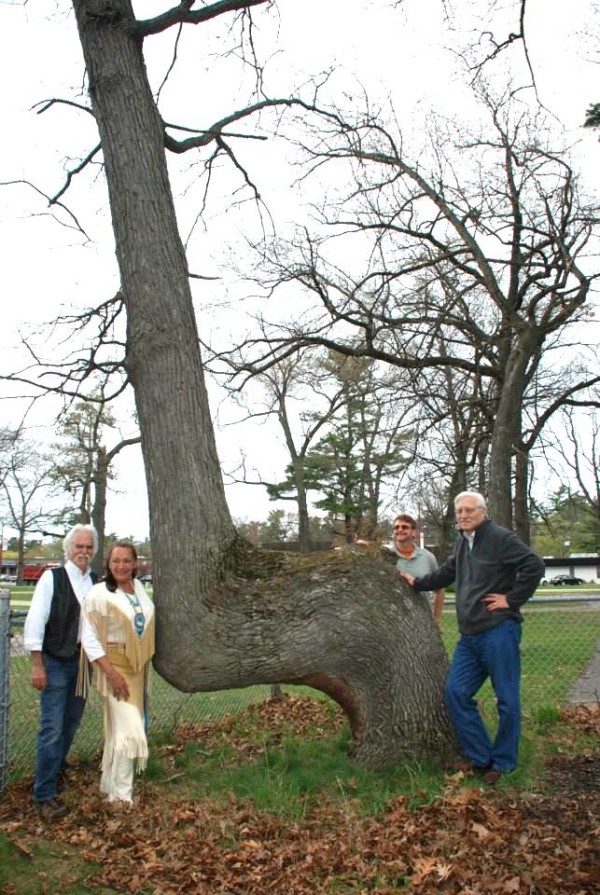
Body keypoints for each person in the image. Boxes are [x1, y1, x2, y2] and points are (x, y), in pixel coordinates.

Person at [399, 491, 544, 784]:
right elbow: (446, 573)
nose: (463, 515)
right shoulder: (463, 544)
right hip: (470, 636)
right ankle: (481, 758)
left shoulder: (499, 538)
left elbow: (534, 565)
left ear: (483, 512)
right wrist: (417, 583)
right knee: (456, 693)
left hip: (498, 630)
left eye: (469, 510)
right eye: (460, 511)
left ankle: (502, 763)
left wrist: (511, 599)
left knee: (506, 699)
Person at [24, 524, 99, 821]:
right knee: (52, 727)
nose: (83, 551)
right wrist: (37, 663)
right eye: (78, 546)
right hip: (54, 661)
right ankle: (43, 795)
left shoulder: (95, 581)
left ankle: (57, 770)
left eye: (88, 547)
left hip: (82, 664)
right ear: (68, 549)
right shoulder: (51, 578)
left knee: (71, 722)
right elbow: (35, 621)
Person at [79, 541, 155, 804]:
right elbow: (89, 638)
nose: (121, 566)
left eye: (126, 561)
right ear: (108, 564)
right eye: (116, 561)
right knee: (129, 731)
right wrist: (111, 674)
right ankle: (123, 798)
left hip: (137, 669)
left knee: (118, 730)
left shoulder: (140, 589)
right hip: (113, 670)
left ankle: (109, 787)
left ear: (135, 563)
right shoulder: (99, 593)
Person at [391, 514, 445, 629]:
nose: (399, 530)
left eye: (404, 527)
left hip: (422, 622)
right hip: (392, 623)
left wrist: (436, 619)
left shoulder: (428, 557)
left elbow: (439, 590)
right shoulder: (384, 554)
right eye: (396, 527)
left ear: (414, 532)